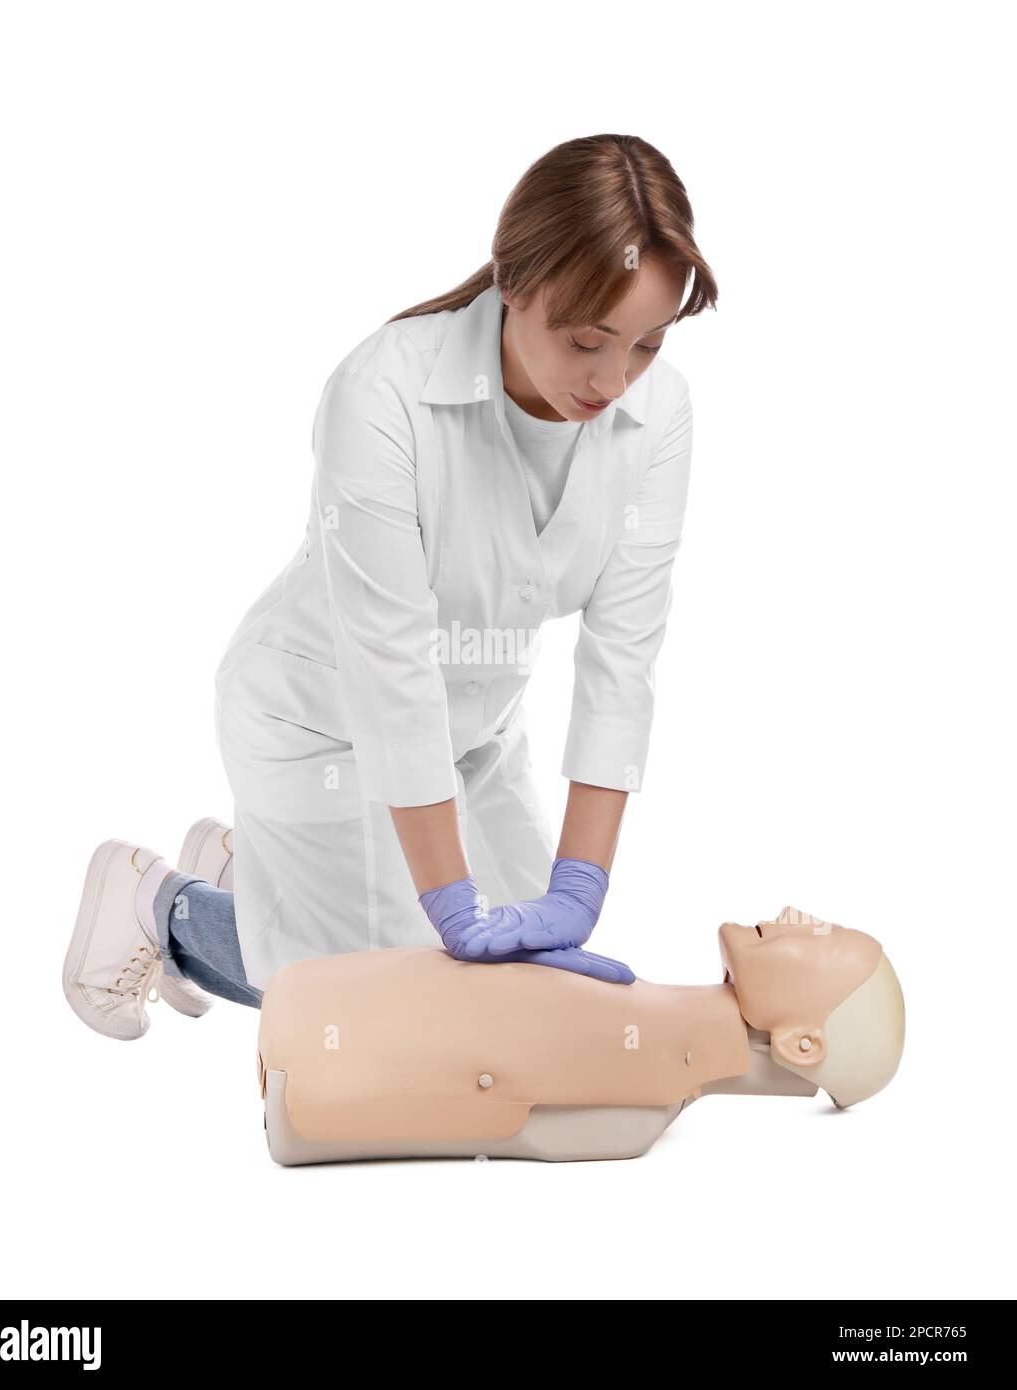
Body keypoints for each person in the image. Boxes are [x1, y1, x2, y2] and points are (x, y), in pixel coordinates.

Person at [63, 133, 718, 1041]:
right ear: (513, 284)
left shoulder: (659, 410)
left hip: (472, 738)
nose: (613, 381)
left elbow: (624, 660)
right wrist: (449, 906)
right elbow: (393, 666)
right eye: (585, 340)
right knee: (402, 1023)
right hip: (317, 718)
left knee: (547, 1010)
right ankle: (160, 907)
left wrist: (580, 885)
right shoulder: (383, 392)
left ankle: (250, 876)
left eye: (646, 343)